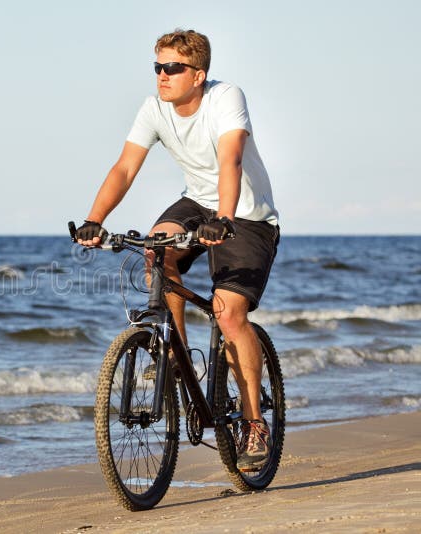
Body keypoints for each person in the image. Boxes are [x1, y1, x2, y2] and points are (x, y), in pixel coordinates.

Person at [75, 29, 279, 472]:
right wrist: (95, 219)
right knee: (155, 248)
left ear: (198, 75)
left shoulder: (226, 98)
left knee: (228, 314)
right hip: (197, 202)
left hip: (246, 215)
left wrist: (223, 219)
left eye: (173, 68)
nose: (162, 76)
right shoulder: (154, 109)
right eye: (158, 67)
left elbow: (231, 160)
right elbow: (125, 167)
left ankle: (254, 422)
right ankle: (176, 359)